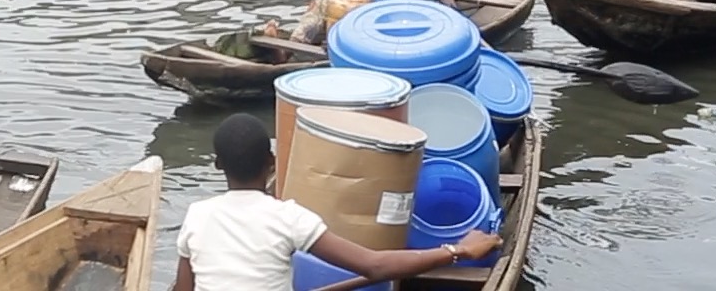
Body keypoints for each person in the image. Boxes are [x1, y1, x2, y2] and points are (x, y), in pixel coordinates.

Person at [171, 114, 499, 291]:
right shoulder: (288, 217)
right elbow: (374, 266)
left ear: (218, 165)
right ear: (271, 162)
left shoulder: (196, 216)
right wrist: (457, 250)